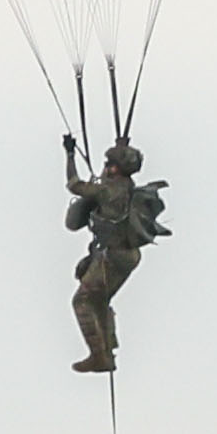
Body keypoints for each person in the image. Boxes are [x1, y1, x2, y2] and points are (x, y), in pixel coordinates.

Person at [63, 131, 170, 374]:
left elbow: (73, 184)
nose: (105, 167)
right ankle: (107, 348)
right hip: (127, 256)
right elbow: (109, 177)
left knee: (82, 301)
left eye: (109, 164)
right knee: (100, 299)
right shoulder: (126, 186)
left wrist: (69, 154)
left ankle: (98, 355)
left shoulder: (106, 191)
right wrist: (121, 147)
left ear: (116, 169)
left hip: (112, 257)